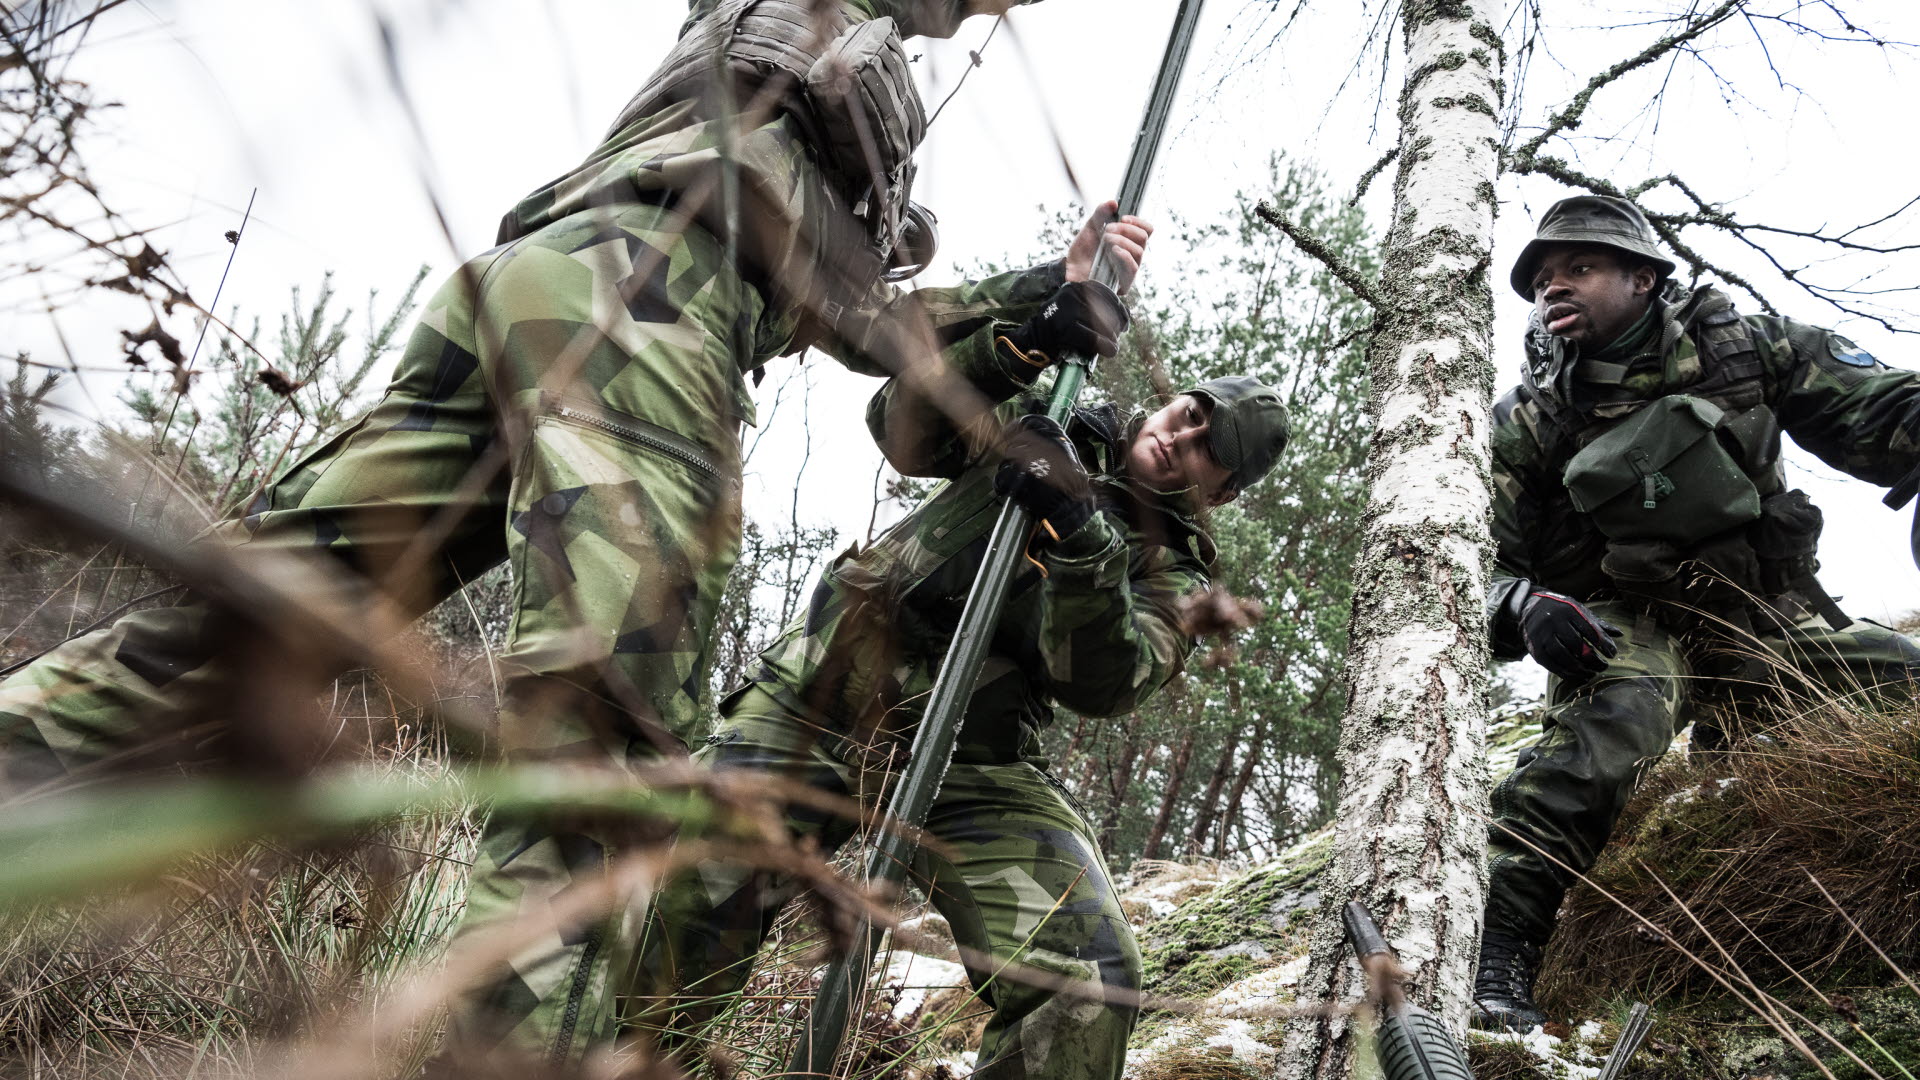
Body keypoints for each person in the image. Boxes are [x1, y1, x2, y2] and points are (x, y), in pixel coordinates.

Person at [0, 0, 1152, 1065]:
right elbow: (824, 281)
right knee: (611, 748)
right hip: (647, 315)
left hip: (549, 279)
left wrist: (1040, 301)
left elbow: (853, 310)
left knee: (241, 627)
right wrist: (1028, 305)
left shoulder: (814, 60)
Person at [631, 317, 1292, 1078]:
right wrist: (1018, 348)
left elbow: (1104, 682)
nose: (1186, 436)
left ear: (1226, 492)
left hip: (970, 763)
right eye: (1192, 413)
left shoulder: (1177, 580)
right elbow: (898, 424)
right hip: (817, 701)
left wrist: (1084, 537)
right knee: (686, 898)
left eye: (1211, 448)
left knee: (1089, 978)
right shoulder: (1052, 413)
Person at [1473, 193, 1920, 1030]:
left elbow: (1880, 408)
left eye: (1579, 268)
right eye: (1540, 280)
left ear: (1644, 277)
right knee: (1614, 728)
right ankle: (1495, 962)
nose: (1552, 289)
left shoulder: (1746, 349)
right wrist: (1523, 603)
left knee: (1904, 684)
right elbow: (1469, 566)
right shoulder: (1528, 420)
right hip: (1627, 623)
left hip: (1765, 617)